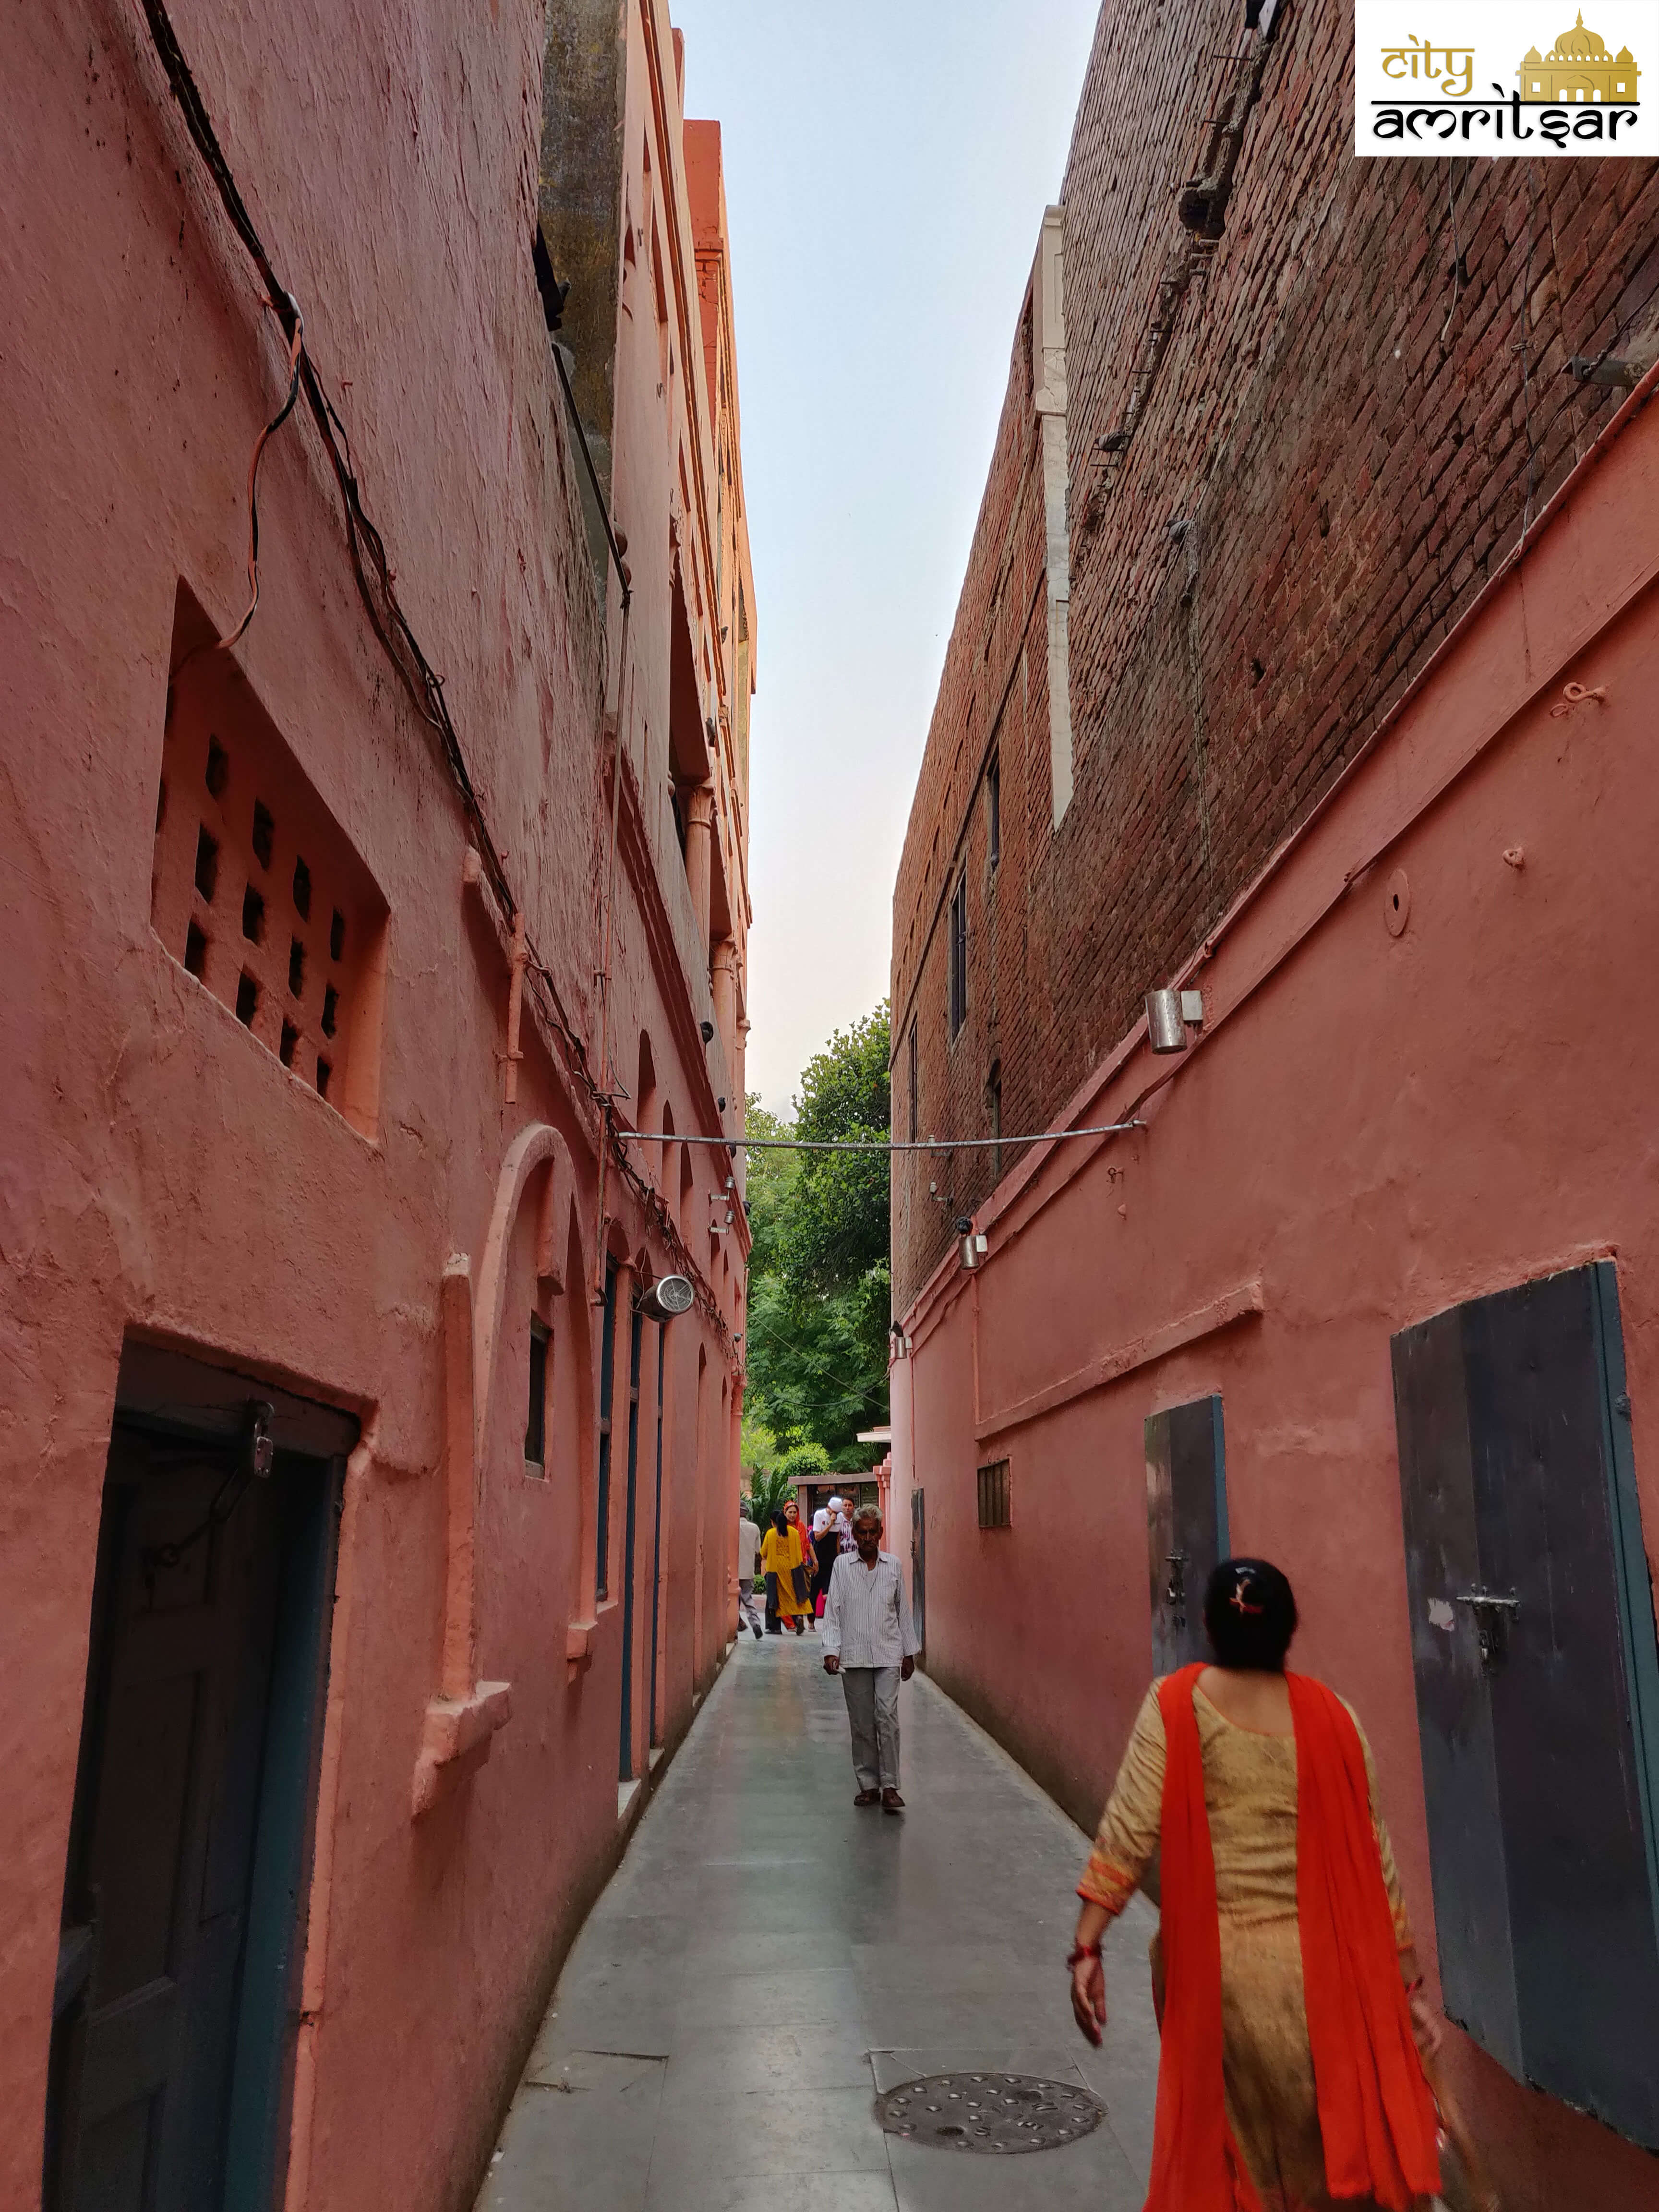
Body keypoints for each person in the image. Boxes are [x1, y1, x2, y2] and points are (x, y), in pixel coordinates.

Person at [1068, 1558, 1445, 2212]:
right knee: (1325, 2171)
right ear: (1289, 1629)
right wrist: (1406, 1991)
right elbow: (1377, 1863)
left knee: (1241, 2169)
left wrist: (1087, 1946)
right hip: (1331, 1984)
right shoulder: (1336, 1719)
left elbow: (1129, 1832)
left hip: (1225, 1985)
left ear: (1210, 1626)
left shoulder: (1175, 1704)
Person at [820, 1504, 919, 1813]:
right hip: (854, 1654)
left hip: (889, 1653)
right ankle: (869, 1784)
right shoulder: (841, 1566)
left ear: (880, 1533)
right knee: (862, 1723)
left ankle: (890, 1785)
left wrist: (909, 1652)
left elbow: (903, 1611)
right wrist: (830, 1650)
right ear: (854, 1532)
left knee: (887, 1717)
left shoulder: (893, 1566)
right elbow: (833, 1609)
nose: (866, 1538)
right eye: (861, 1532)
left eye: (871, 1533)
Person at [759, 1506, 810, 1636]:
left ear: (773, 1522)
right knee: (794, 1595)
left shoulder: (771, 1534)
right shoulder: (794, 1532)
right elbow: (799, 1550)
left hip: (775, 1570)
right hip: (793, 1569)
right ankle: (798, 1618)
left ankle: (775, 1627)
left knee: (774, 1598)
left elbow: (763, 1553)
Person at [736, 1510, 763, 1639]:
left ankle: (734, 1623)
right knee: (748, 1598)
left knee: (731, 1600)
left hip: (734, 1569)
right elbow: (758, 1550)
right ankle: (756, 1624)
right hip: (748, 1570)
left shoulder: (732, 1526)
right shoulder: (754, 1528)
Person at [812, 1505, 841, 1622]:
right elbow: (817, 1538)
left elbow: (838, 1539)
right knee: (815, 1589)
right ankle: (811, 1620)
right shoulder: (819, 1515)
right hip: (820, 1557)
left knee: (832, 1590)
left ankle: (833, 1618)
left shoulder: (841, 1518)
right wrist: (830, 1524)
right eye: (833, 1512)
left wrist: (838, 1557)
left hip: (833, 1558)